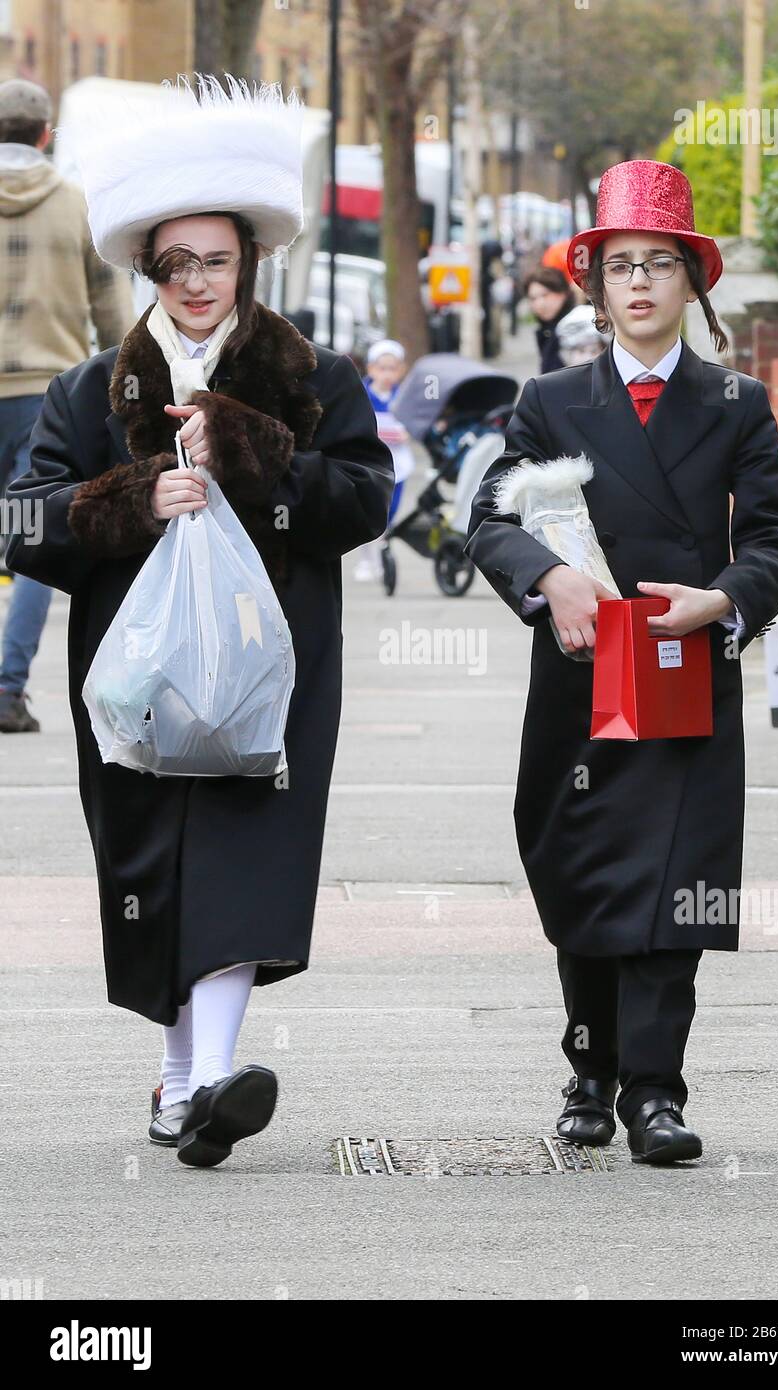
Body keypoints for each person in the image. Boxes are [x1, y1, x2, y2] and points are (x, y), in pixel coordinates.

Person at [5, 74, 394, 1168]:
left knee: (239, 858)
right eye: (173, 264)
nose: (194, 282)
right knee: (151, 872)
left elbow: (367, 500)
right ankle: (181, 1079)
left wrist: (254, 456)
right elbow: (23, 524)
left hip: (274, 666)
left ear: (247, 262)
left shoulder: (310, 376)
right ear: (146, 269)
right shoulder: (90, 391)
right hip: (132, 679)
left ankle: (212, 1077)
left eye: (213, 260)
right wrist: (134, 498)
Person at [464, 160, 778, 1165]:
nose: (641, 283)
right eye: (621, 266)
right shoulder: (547, 402)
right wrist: (547, 579)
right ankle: (589, 1067)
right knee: (581, 877)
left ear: (689, 282)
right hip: (579, 681)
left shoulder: (734, 402)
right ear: (597, 284)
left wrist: (726, 600)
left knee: (674, 888)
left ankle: (654, 1091)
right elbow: (489, 517)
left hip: (687, 670)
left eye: (660, 264)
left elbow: (777, 535)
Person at [0, 78, 134, 733]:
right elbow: (113, 315)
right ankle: (6, 686)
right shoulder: (78, 205)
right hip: (45, 396)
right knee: (28, 533)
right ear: (45, 134)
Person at [353, 338, 413, 581]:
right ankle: (367, 559)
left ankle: (381, 556)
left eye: (393, 368)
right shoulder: (360, 395)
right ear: (371, 369)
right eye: (382, 368)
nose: (387, 374)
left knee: (390, 515)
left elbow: (412, 424)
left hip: (399, 465)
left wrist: (405, 433)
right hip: (369, 463)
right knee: (368, 513)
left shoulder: (404, 398)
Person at [524, 265, 577, 374]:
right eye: (533, 298)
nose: (539, 304)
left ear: (563, 293)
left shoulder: (575, 326)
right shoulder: (546, 330)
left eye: (545, 295)